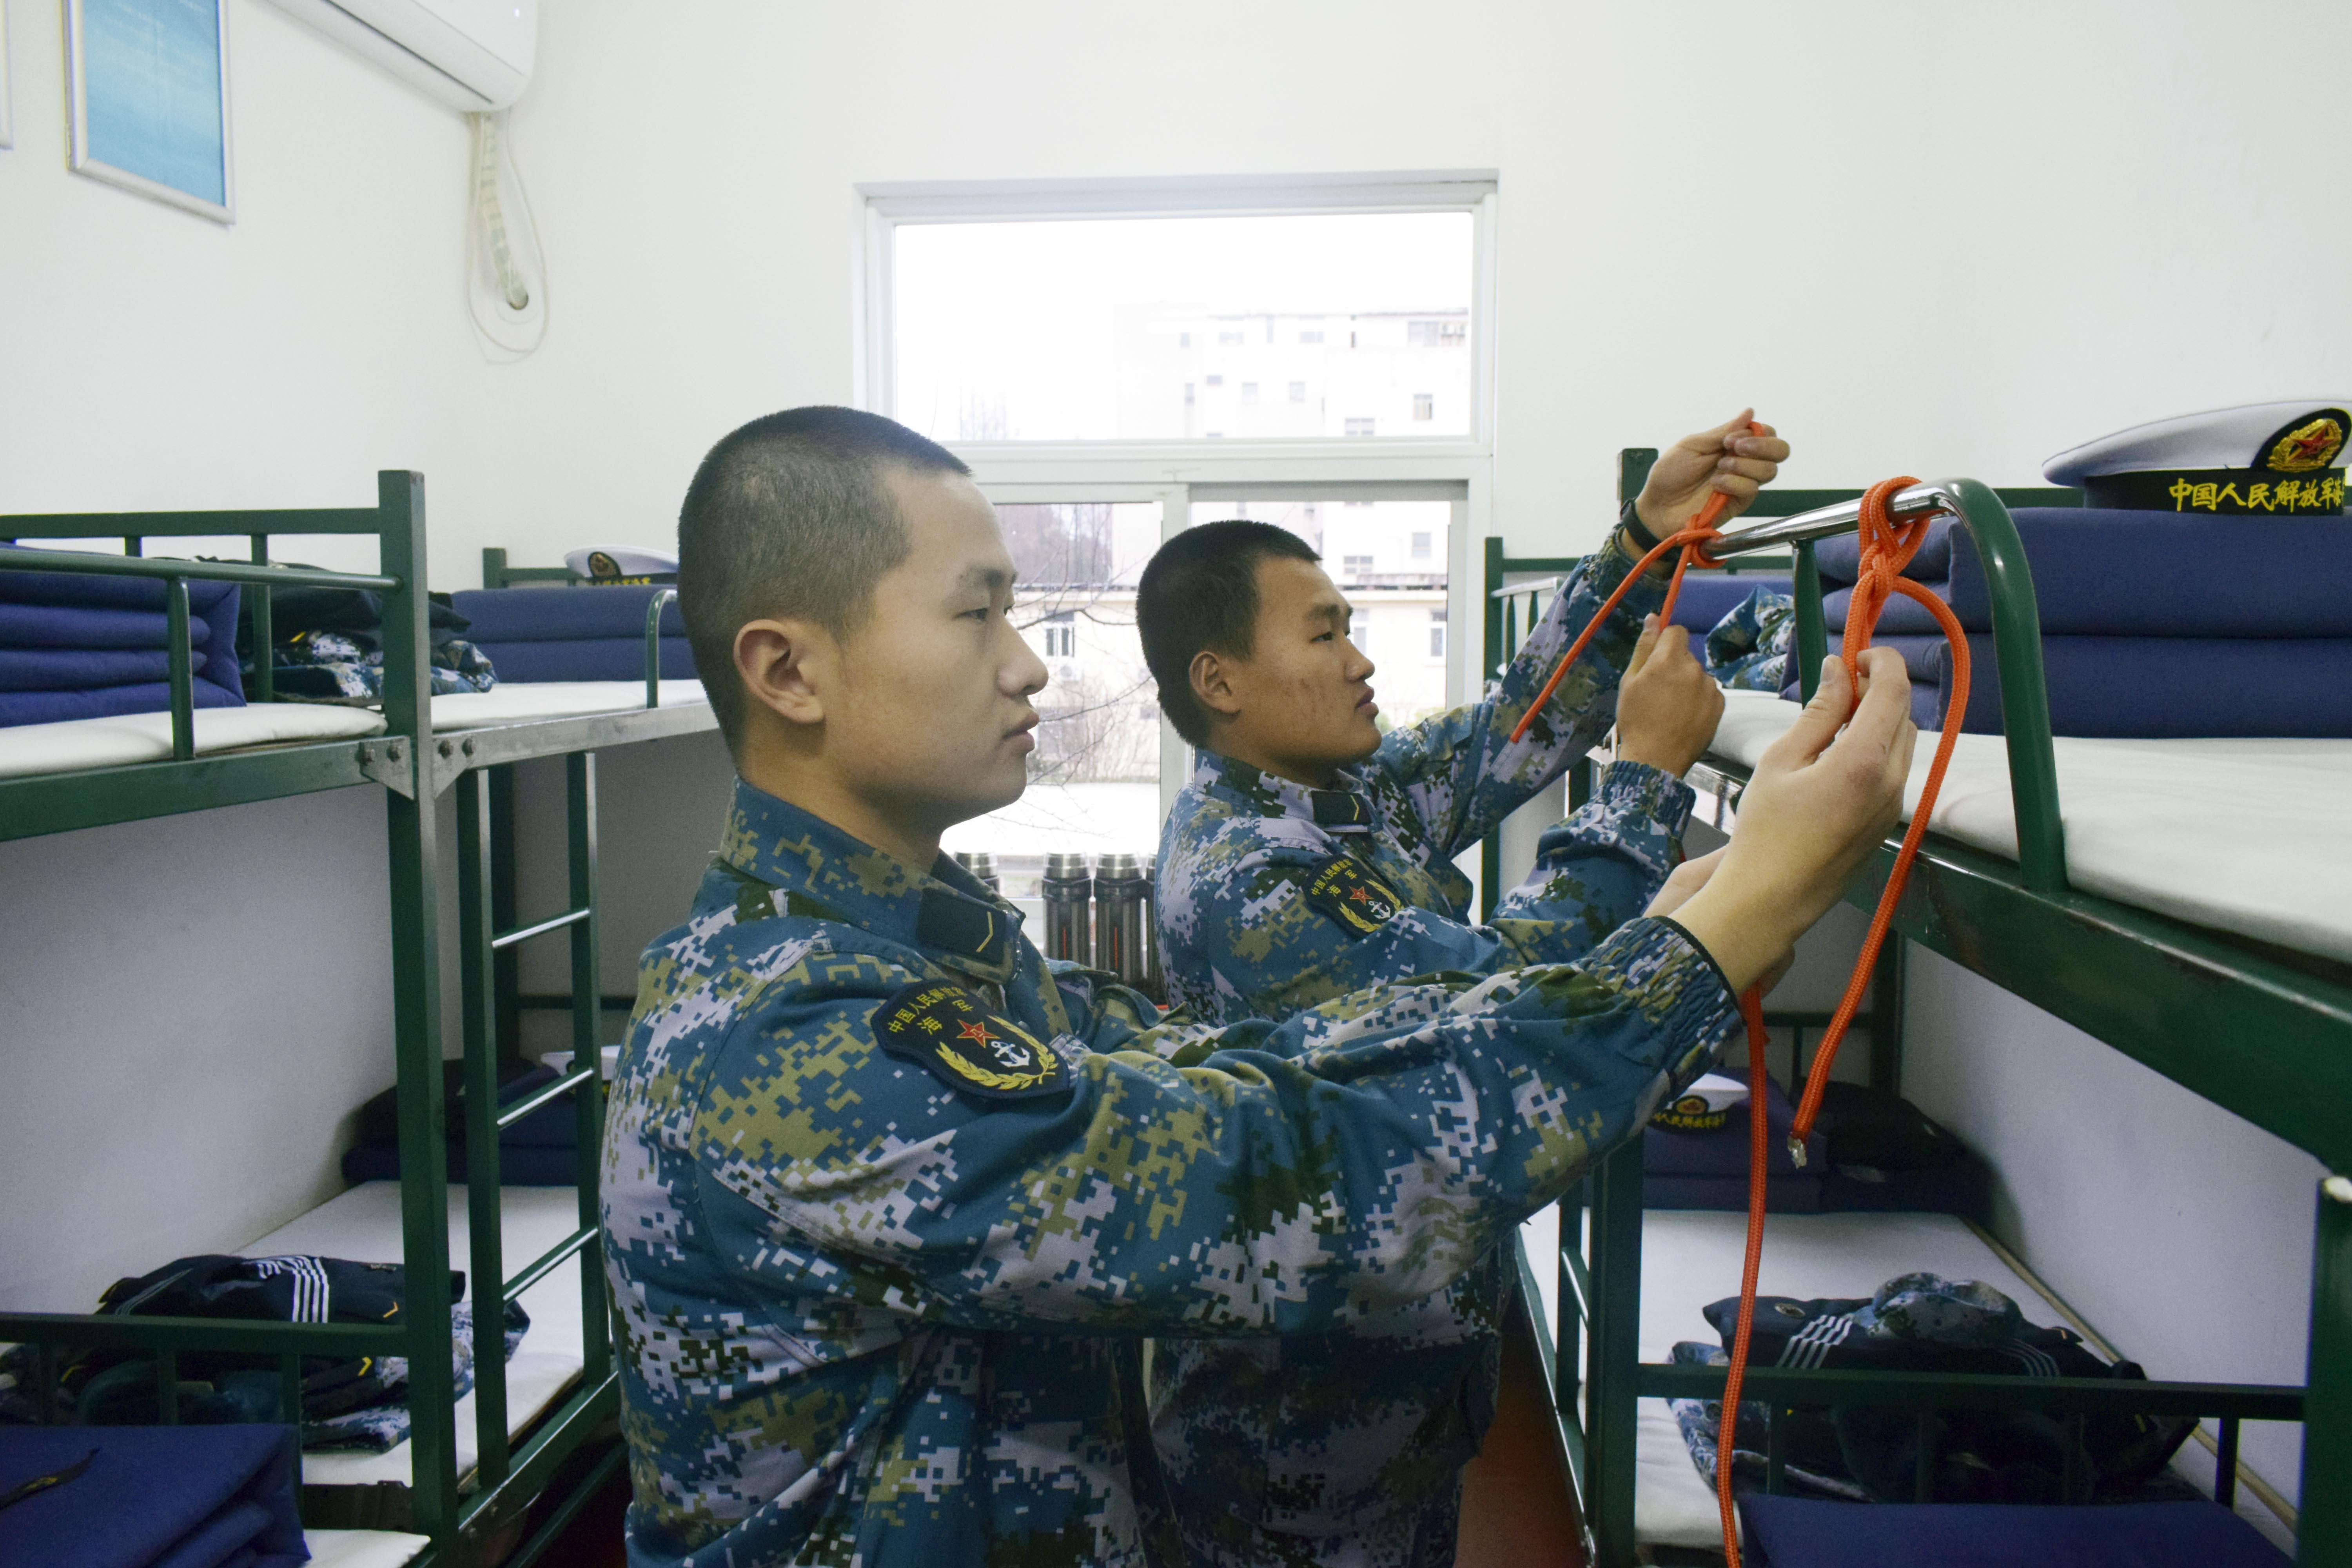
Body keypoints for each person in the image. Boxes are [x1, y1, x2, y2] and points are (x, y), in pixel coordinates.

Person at [599, 405, 1913, 1568]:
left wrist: (1659, 933)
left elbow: (1255, 1062)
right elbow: (1296, 1163)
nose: (1029, 663)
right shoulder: (794, 1038)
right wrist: (1728, 921)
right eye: (976, 610)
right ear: (788, 671)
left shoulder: (939, 948)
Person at [1135, 416, 1782, 1565]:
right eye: (1326, 633)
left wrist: (1641, 539)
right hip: (1297, 1434)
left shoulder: (1342, 794)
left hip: (1400, 1391)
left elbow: (1524, 724)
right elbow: (1516, 1006)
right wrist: (1641, 788)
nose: (1360, 659)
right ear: (1220, 681)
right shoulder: (1244, 875)